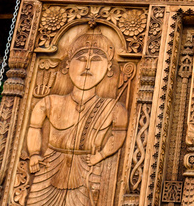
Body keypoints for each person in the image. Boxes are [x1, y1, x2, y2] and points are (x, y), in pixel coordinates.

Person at [25, 28, 128, 206]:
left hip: (88, 172)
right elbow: (34, 127)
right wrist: (34, 154)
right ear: (67, 64)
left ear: (109, 68)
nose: (87, 66)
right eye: (81, 59)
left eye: (96, 60)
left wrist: (101, 155)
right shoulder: (49, 102)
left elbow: (118, 134)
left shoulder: (114, 108)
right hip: (48, 169)